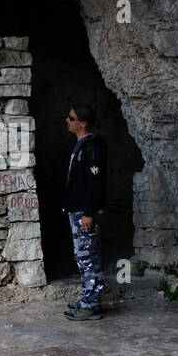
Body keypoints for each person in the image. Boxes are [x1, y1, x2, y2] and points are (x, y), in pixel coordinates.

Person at [63, 103, 107, 320]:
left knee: (88, 256)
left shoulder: (93, 146)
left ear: (83, 122)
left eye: (71, 118)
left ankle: (91, 304)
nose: (67, 121)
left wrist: (89, 212)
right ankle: (88, 300)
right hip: (78, 209)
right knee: (83, 256)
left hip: (85, 211)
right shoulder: (82, 144)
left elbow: (95, 183)